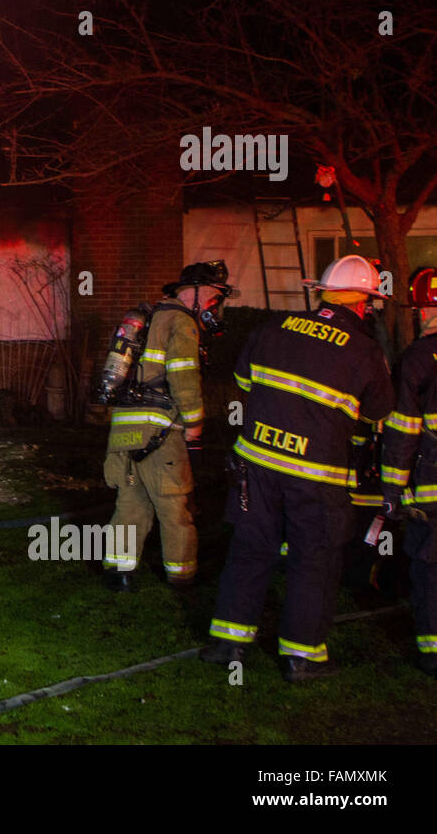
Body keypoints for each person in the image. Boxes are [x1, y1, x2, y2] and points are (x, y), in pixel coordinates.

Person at [201, 255, 393, 681]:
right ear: (363, 303)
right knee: (314, 560)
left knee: (250, 549)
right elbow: (378, 412)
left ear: (321, 292)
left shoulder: (274, 328)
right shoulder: (363, 350)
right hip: (317, 477)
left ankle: (228, 643)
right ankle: (301, 657)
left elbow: (246, 382)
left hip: (257, 464)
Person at [101, 260, 236, 591]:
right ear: (195, 292)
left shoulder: (150, 318)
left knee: (130, 504)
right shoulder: (180, 321)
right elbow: (183, 375)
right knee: (176, 507)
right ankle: (181, 577)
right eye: (213, 297)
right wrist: (194, 422)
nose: (213, 306)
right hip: (160, 432)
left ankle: (119, 573)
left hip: (124, 428)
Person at [380, 267, 437, 677]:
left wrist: (392, 488)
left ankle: (433, 651)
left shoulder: (418, 357)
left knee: (431, 567)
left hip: (432, 489)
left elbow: (402, 429)